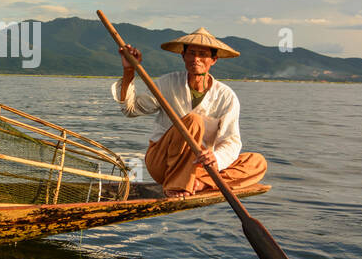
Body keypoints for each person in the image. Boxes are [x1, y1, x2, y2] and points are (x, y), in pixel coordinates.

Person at [111, 26, 267, 198]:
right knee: (193, 120)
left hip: (197, 167)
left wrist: (215, 157)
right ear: (183, 56)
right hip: (163, 162)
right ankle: (179, 184)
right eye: (191, 53)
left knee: (257, 162)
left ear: (214, 60)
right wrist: (129, 70)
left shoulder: (226, 96)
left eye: (203, 55)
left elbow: (231, 141)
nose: (196, 59)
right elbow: (130, 109)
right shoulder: (167, 83)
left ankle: (198, 183)